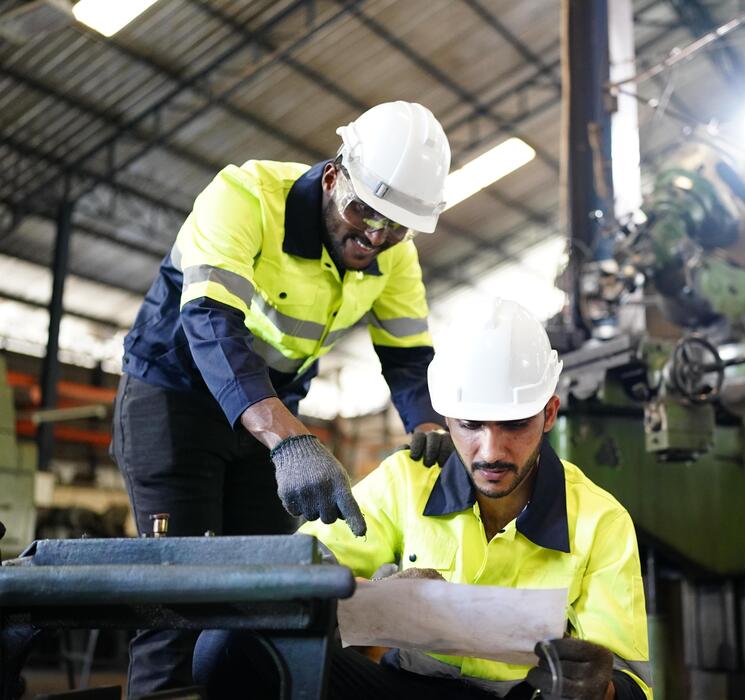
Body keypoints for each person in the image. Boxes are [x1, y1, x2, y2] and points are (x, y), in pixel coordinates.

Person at [112, 101, 455, 696]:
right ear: (332, 177)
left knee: (261, 601)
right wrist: (288, 438)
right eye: (364, 214)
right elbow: (212, 326)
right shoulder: (243, 197)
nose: (374, 237)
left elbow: (407, 357)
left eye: (394, 226)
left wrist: (429, 424)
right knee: (177, 603)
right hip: (175, 400)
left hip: (266, 415)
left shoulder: (394, 256)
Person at [194, 298, 652, 700]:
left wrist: (602, 687)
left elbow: (630, 680)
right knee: (229, 646)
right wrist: (366, 596)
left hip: (521, 697)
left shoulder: (600, 521)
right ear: (446, 417)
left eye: (514, 424)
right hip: (404, 687)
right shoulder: (406, 481)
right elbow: (297, 571)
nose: (492, 452)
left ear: (549, 413)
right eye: (471, 425)